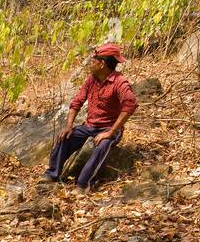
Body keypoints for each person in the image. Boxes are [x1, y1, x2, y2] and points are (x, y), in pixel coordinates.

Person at [45, 43, 138, 191]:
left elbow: (130, 105)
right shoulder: (91, 80)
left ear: (102, 64)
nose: (90, 64)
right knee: (65, 137)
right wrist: (69, 126)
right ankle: (52, 175)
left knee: (102, 146)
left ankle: (83, 185)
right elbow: (76, 103)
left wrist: (110, 132)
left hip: (109, 128)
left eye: (93, 61)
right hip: (89, 126)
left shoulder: (120, 82)